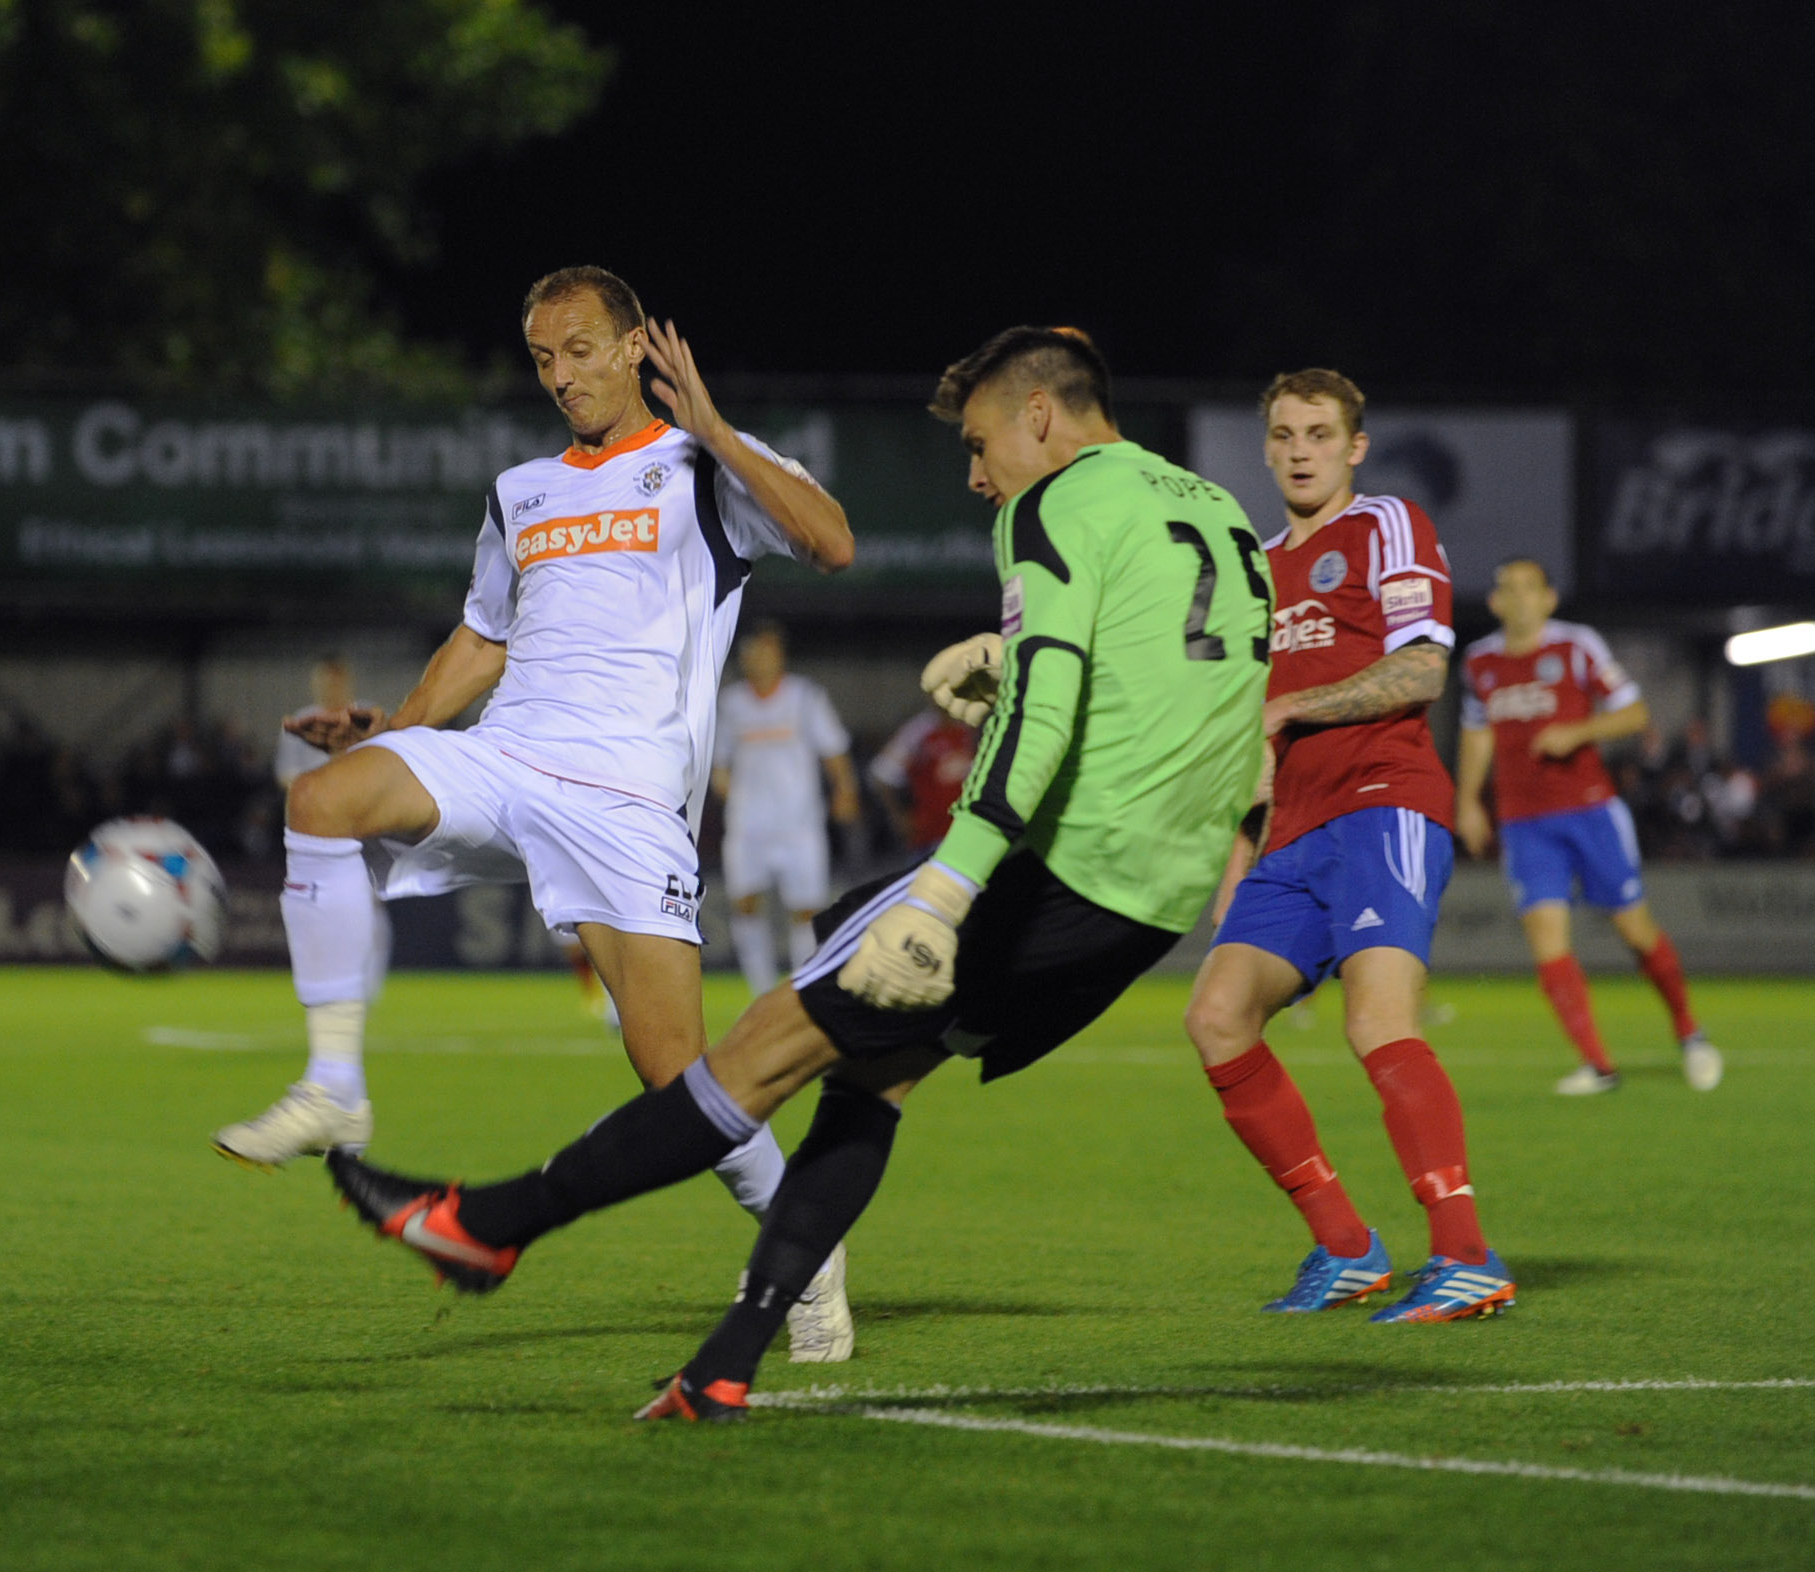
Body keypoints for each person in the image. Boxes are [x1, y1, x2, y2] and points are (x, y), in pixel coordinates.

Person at [324, 324, 1271, 1422]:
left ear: (1041, 417)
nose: (974, 475)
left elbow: (1048, 718)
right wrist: (1016, 670)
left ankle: (488, 1227)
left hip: (1051, 870)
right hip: (1144, 909)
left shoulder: (1050, 506)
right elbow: (1209, 696)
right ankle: (728, 1359)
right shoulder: (1213, 509)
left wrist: (948, 886)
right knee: (875, 1072)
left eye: (978, 444)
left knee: (755, 1053)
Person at [211, 265, 859, 1361]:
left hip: (625, 801)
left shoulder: (704, 465)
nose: (560, 377)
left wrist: (714, 426)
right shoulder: (523, 493)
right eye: (542, 360)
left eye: (578, 352)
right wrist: (394, 736)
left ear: (633, 347)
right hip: (508, 758)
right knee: (322, 798)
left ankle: (806, 1247)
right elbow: (483, 640)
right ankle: (332, 1085)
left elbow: (833, 543)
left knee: (677, 1079)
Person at [1184, 368, 1516, 1324]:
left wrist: (1291, 704)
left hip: (1384, 805)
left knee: (1377, 1022)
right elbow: (1245, 739)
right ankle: (1345, 1245)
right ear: (1266, 446)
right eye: (1284, 434)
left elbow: (1422, 668)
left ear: (1354, 446)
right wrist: (1241, 852)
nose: (1299, 451)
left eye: (1319, 435)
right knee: (1216, 1017)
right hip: (1290, 835)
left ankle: (1465, 1254)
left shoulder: (1387, 526)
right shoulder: (1250, 571)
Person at [1456, 559, 1721, 1094]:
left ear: (1549, 599)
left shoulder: (1577, 646)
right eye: (1509, 589)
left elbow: (1634, 713)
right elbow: (1477, 733)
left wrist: (1576, 731)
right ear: (1495, 602)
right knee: (1547, 942)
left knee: (1634, 930)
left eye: (1531, 588)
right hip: (1524, 824)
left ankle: (1691, 1033)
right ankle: (1599, 1066)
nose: (1521, 598)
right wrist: (1467, 801)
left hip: (1589, 812)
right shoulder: (1480, 661)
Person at [711, 621, 860, 995]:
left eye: (768, 650)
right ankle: (760, 991)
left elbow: (833, 749)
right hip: (748, 825)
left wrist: (845, 790)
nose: (761, 658)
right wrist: (725, 788)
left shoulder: (805, 697)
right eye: (754, 651)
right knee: (746, 903)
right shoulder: (731, 704)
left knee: (806, 908)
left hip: (799, 824)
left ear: (779, 655)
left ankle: (801, 988)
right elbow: (720, 762)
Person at [271, 656, 395, 1013]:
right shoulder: (302, 722)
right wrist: (323, 787)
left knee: (368, 902)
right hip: (317, 826)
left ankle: (362, 991)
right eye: (325, 681)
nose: (330, 688)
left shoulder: (366, 718)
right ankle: (330, 988)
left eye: (336, 681)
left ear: (347, 682)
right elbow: (285, 775)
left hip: (363, 823)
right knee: (318, 903)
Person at [868, 707, 979, 856]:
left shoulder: (978, 727)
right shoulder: (919, 730)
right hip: (931, 837)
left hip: (973, 833)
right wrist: (898, 816)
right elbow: (882, 774)